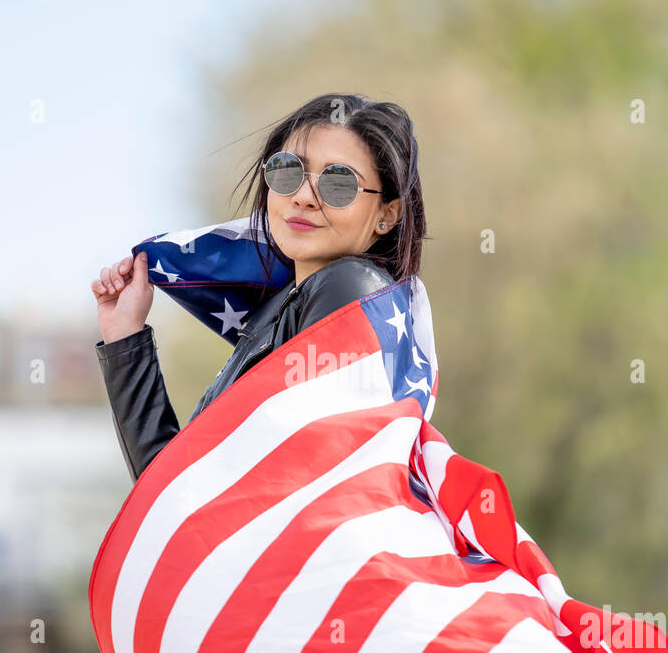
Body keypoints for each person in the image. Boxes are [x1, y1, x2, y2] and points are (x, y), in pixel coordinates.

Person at [90, 94, 427, 482]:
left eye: (338, 182)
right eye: (288, 171)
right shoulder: (277, 312)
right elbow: (171, 497)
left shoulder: (349, 286)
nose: (303, 197)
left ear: (387, 214)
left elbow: (298, 494)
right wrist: (125, 337)